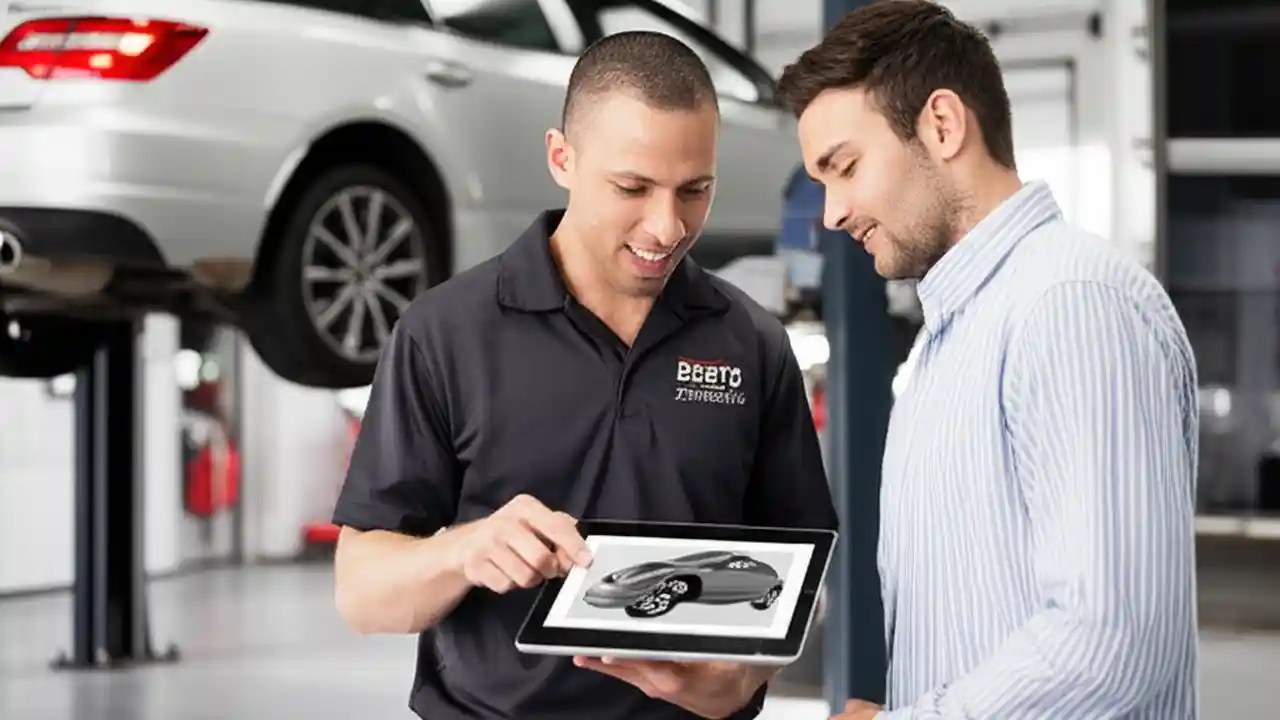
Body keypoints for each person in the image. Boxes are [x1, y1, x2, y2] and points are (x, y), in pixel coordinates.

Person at [331, 30, 838, 720]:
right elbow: (362, 594)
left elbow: (797, 581)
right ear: (561, 158)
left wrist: (738, 683)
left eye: (695, 190)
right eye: (632, 187)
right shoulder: (444, 334)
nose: (665, 226)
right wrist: (461, 550)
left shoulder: (752, 344)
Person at [775, 2, 1200, 718]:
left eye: (844, 168)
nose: (832, 213)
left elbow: (1109, 642)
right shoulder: (955, 338)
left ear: (942, 126)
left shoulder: (1069, 306)